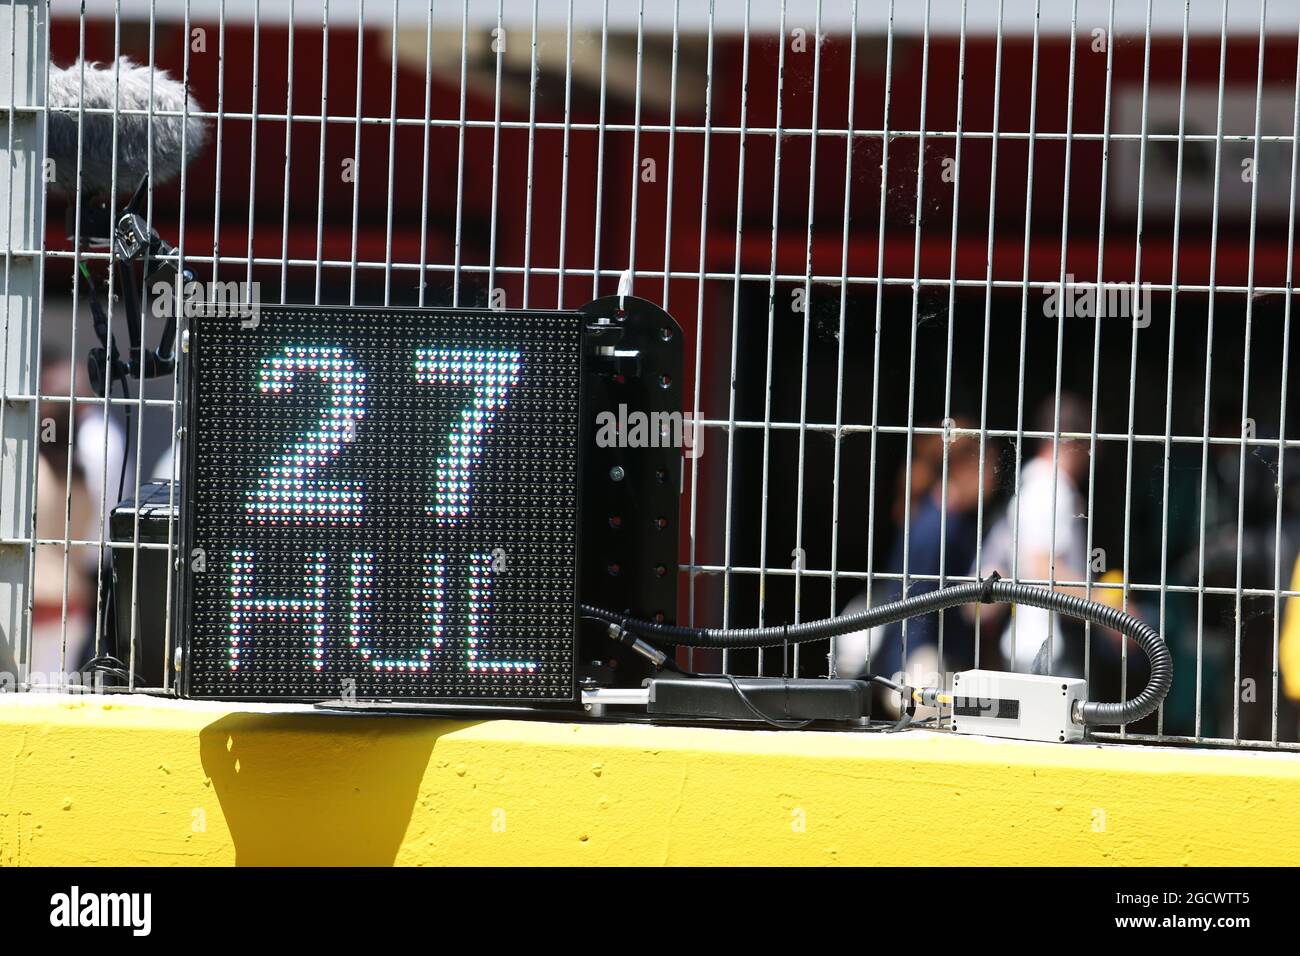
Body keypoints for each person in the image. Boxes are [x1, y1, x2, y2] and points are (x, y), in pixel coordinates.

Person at [836, 418, 993, 703]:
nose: (992, 480)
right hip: (920, 665)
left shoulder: (936, 516)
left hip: (910, 659)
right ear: (963, 468)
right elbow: (920, 600)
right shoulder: (940, 527)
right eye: (987, 468)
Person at [971, 394, 1095, 675]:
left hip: (1030, 645)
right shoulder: (1050, 488)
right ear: (1074, 442)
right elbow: (1042, 567)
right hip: (1047, 649)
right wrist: (1108, 608)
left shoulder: (1031, 482)